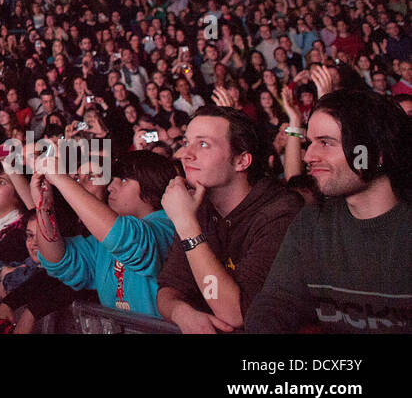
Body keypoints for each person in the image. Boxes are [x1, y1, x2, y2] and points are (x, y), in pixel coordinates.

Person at [247, 89, 412, 332]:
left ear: (376, 153)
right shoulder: (311, 223)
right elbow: (274, 305)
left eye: (326, 143)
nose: (309, 156)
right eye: (310, 143)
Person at [156, 106, 302, 332]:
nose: (186, 154)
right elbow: (169, 288)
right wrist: (180, 312)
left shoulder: (280, 211)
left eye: (203, 144)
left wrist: (187, 226)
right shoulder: (198, 207)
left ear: (241, 161)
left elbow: (236, 314)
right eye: (186, 142)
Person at [32, 148, 179, 316]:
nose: (110, 187)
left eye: (123, 180)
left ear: (151, 184)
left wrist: (61, 178)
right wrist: (43, 205)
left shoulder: (169, 225)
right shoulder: (102, 241)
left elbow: (129, 240)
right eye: (113, 179)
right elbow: (58, 260)